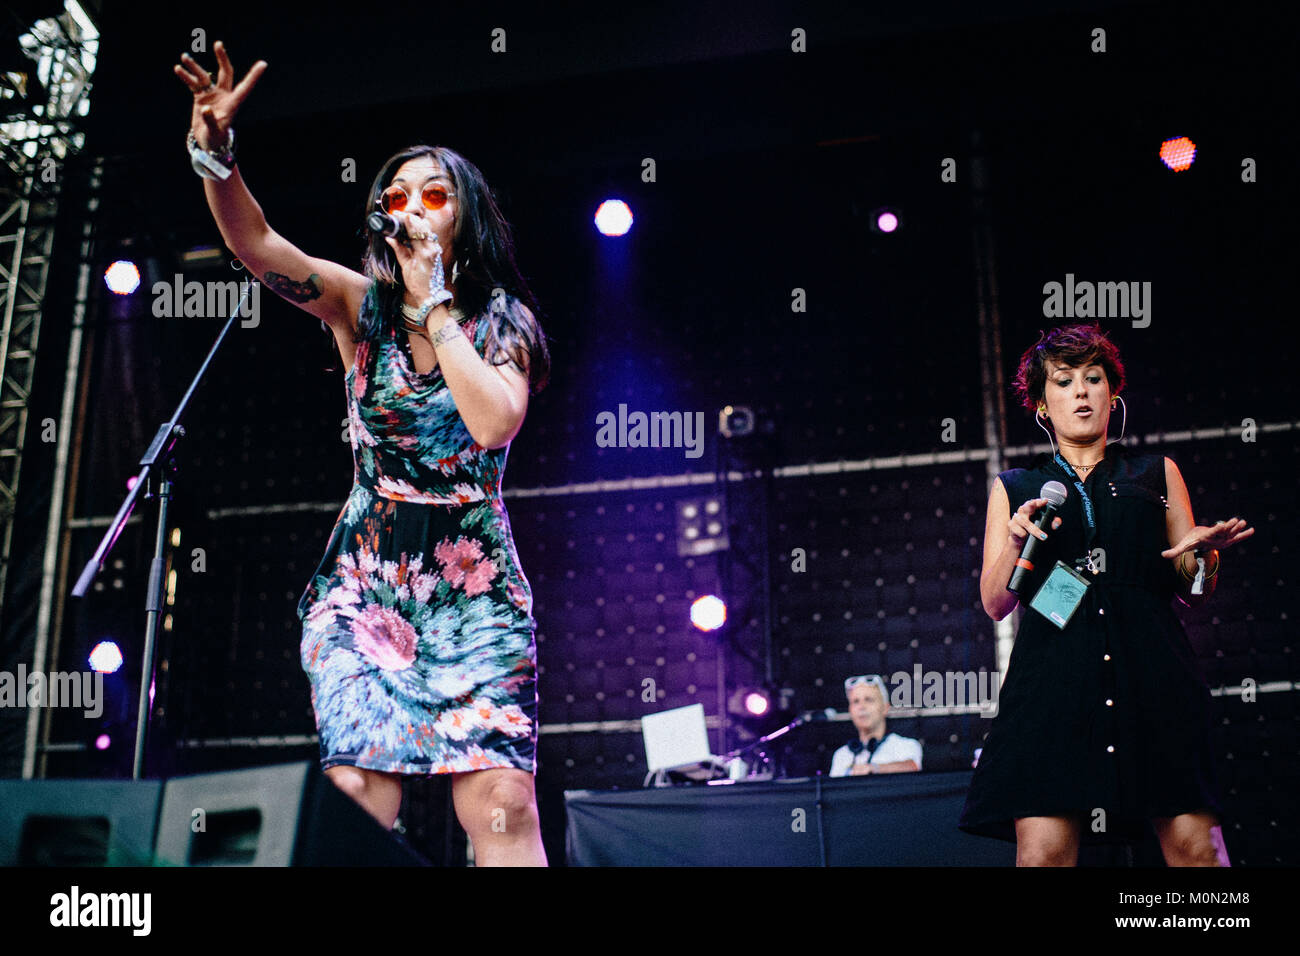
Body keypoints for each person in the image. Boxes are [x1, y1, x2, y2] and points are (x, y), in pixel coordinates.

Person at [174, 43, 552, 865]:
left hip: (472, 592)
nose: (411, 207)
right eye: (397, 197)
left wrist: (435, 304)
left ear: (466, 215)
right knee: (357, 793)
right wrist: (216, 155)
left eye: (434, 195)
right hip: (367, 589)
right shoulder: (356, 305)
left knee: (504, 803)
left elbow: (491, 425)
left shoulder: (502, 323)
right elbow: (258, 245)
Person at [959, 323, 1253, 866]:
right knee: (1045, 854)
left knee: (1197, 850)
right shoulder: (1015, 487)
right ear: (1043, 405)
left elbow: (1194, 591)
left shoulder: (1157, 472)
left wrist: (1204, 557)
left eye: (1093, 379)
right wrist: (1018, 539)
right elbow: (995, 602)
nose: (1080, 391)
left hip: (1154, 678)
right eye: (1065, 381)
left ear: (1112, 395)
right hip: (1052, 687)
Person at [829, 675, 922, 777]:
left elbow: (912, 767)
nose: (861, 707)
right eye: (856, 701)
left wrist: (874, 768)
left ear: (885, 708)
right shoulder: (841, 755)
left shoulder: (906, 745)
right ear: (850, 710)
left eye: (869, 700)